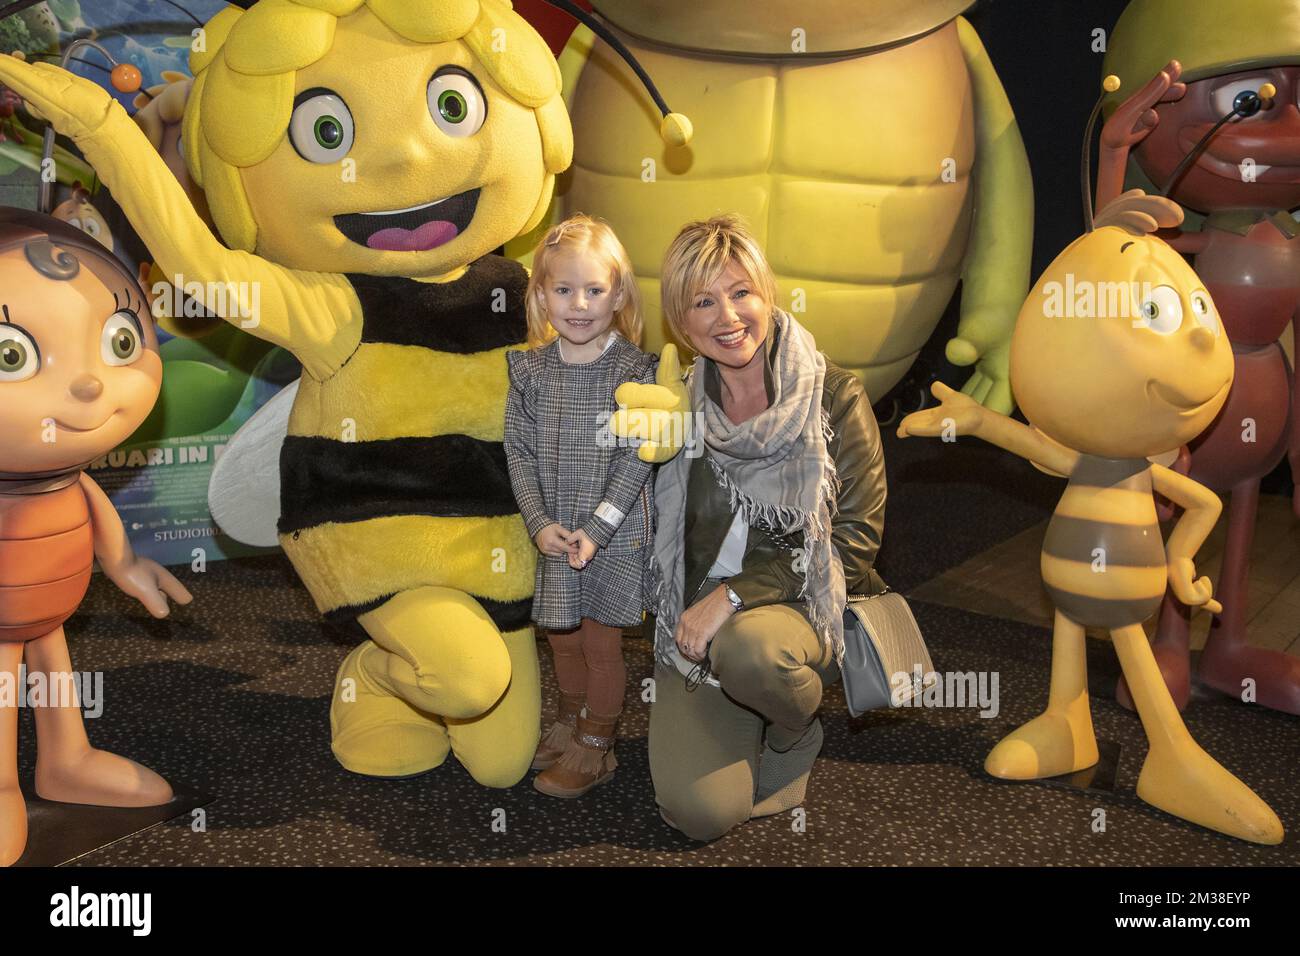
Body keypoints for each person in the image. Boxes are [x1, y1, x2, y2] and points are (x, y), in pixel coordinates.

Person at [647, 214, 887, 841]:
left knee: (751, 650)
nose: (728, 316)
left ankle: (793, 728)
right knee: (700, 815)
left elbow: (853, 538)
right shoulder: (675, 403)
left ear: (766, 294)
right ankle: (747, 704)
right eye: (704, 301)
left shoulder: (835, 394)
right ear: (681, 319)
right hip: (695, 620)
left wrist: (732, 598)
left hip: (796, 607)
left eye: (741, 292)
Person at [0, 208, 192, 867]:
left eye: (117, 341)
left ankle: (66, 760)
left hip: (52, 601)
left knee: (51, 665)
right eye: (13, 356)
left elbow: (91, 506)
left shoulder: (68, 476)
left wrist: (126, 563)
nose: (87, 384)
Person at [504, 214, 658, 798]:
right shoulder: (529, 370)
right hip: (554, 535)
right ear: (541, 293)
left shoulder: (633, 371)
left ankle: (598, 744)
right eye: (563, 289)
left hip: (612, 540)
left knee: (600, 644)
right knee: (561, 636)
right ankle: (570, 721)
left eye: (595, 290)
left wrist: (597, 528)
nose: (579, 303)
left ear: (617, 293)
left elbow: (635, 461)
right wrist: (540, 524)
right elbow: (516, 451)